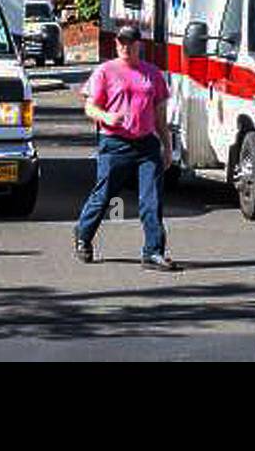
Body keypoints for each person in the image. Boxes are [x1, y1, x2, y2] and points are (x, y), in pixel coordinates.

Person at [72, 24, 179, 272]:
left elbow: (160, 116)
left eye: (130, 42)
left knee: (151, 200)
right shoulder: (105, 71)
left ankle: (153, 252)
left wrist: (166, 146)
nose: (124, 47)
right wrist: (107, 117)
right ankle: (83, 235)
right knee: (104, 195)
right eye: (121, 42)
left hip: (146, 145)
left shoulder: (152, 75)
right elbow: (90, 107)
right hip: (115, 143)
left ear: (139, 45)